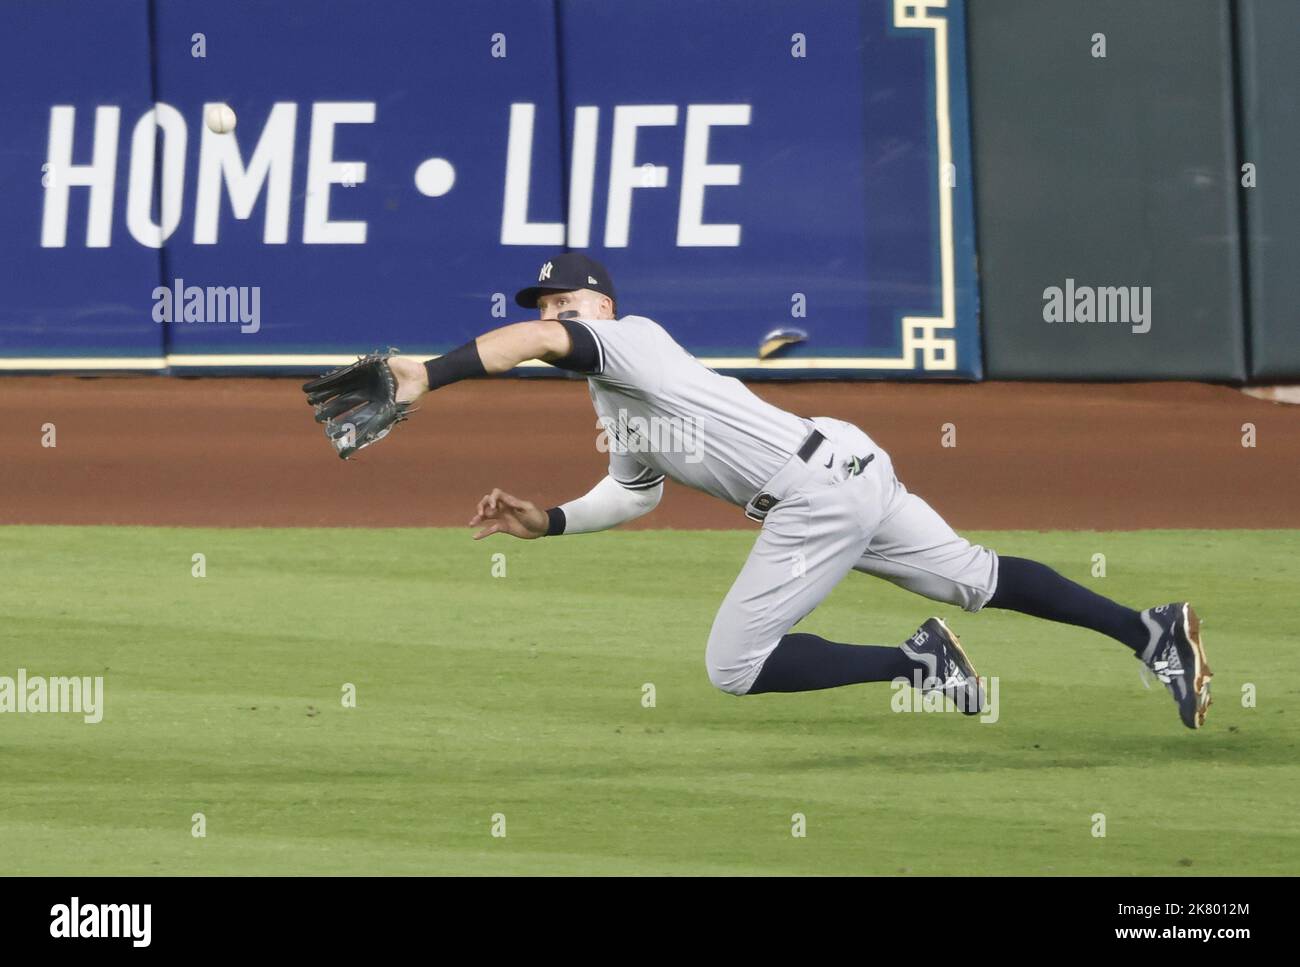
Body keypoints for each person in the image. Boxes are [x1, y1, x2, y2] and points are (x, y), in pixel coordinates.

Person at [386, 253, 1213, 728]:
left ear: (599, 304)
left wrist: (431, 370)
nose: (552, 310)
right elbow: (634, 492)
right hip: (844, 464)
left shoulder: (625, 340)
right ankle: (1151, 630)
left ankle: (914, 659)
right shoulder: (616, 398)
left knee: (732, 664)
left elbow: (531, 339)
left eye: (564, 299)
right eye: (545, 300)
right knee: (978, 576)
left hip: (816, 493)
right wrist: (554, 519)